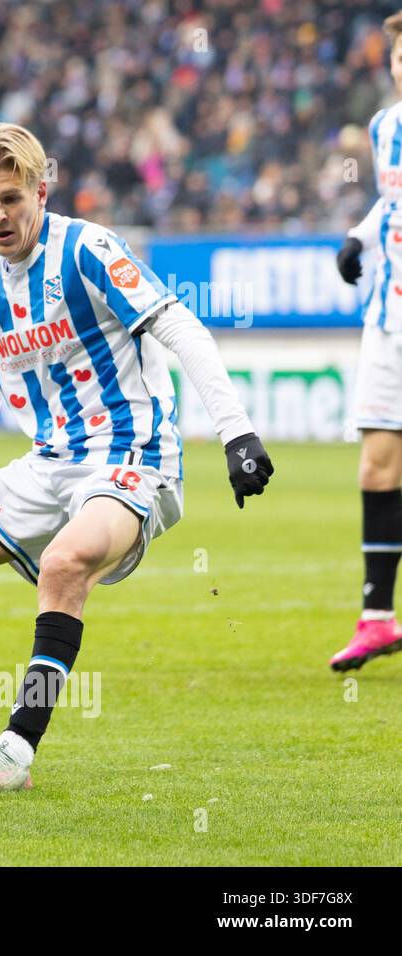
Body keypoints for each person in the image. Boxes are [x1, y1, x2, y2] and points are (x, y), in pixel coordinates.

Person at [0, 123, 274, 792]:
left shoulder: (89, 249)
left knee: (65, 562)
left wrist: (237, 433)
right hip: (48, 463)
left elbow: (180, 327)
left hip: (131, 456)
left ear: (41, 192)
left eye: (11, 199)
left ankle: (17, 746)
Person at [331, 9, 402, 673]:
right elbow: (393, 201)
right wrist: (362, 233)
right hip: (389, 321)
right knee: (378, 464)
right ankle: (377, 618)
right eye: (399, 57)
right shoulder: (385, 126)